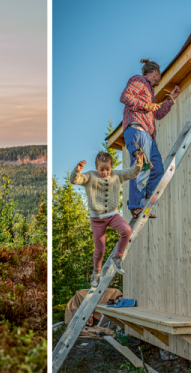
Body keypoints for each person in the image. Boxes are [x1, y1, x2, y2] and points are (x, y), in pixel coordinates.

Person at [71, 151, 143, 288]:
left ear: (111, 167)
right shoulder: (90, 176)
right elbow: (75, 180)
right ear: (96, 167)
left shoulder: (117, 175)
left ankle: (118, 257)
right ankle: (96, 273)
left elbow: (132, 172)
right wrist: (78, 171)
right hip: (97, 219)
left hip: (113, 215)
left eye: (107, 169)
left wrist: (138, 162)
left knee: (127, 230)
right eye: (101, 170)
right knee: (100, 249)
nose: (105, 173)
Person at [120, 58, 180, 218]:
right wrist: (146, 106)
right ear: (156, 73)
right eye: (160, 76)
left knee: (158, 170)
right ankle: (135, 206)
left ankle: (144, 200)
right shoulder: (139, 80)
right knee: (141, 167)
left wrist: (171, 100)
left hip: (149, 136)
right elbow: (125, 96)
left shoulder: (150, 93)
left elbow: (158, 114)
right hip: (137, 129)